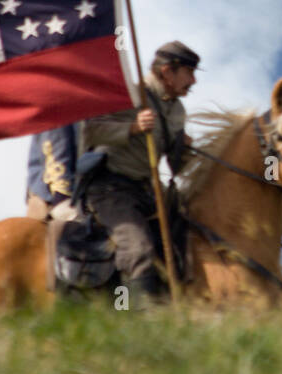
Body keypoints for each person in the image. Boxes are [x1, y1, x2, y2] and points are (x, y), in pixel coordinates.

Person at [79, 40, 200, 303]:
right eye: (189, 73)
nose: (193, 81)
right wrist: (132, 128)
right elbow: (89, 130)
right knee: (138, 248)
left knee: (195, 227)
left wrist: (187, 150)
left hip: (147, 189)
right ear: (168, 71)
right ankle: (140, 317)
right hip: (110, 188)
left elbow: (176, 166)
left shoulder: (177, 110)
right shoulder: (131, 94)